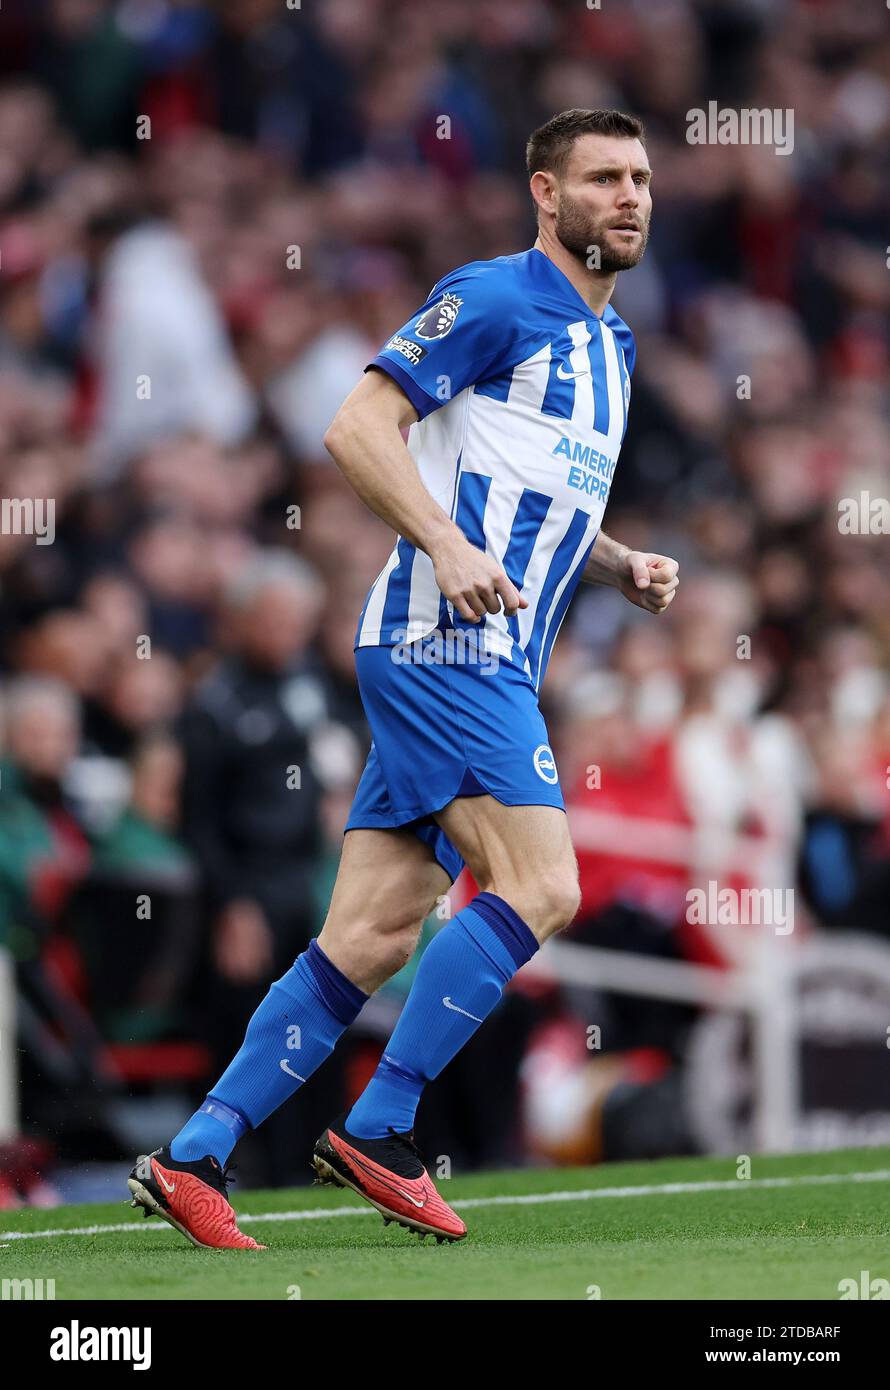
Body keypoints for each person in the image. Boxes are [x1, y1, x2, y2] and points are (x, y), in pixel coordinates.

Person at [127, 107, 680, 1249]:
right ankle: (381, 1125)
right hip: (444, 642)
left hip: (487, 650)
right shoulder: (490, 297)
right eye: (601, 178)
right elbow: (355, 427)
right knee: (543, 886)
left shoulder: (611, 344)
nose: (627, 196)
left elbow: (536, 489)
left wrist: (616, 563)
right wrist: (443, 542)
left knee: (373, 932)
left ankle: (194, 1153)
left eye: (637, 177)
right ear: (543, 192)